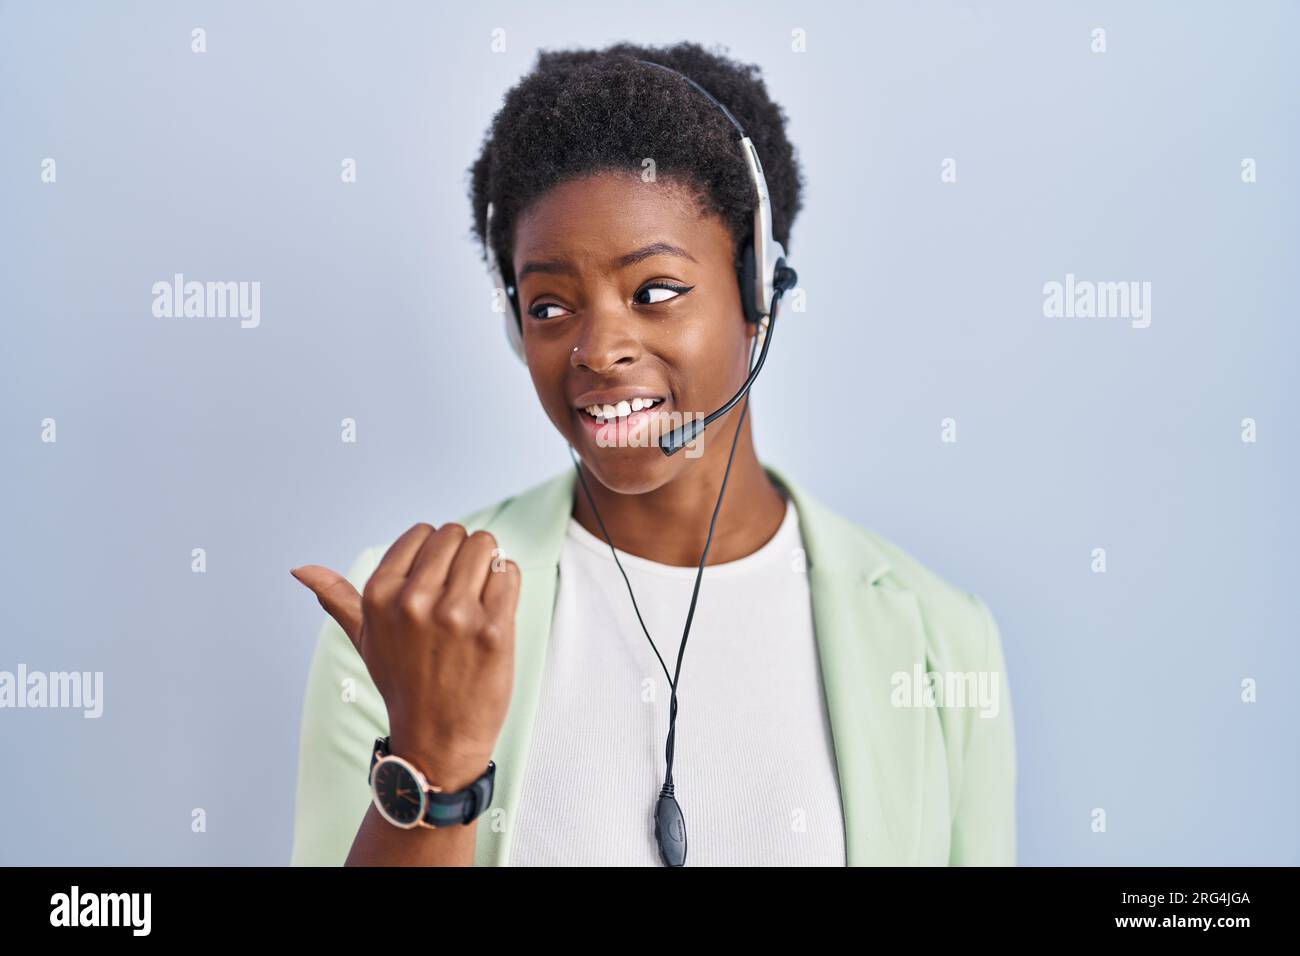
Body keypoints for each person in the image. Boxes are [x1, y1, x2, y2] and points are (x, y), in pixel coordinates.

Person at [288, 41, 1016, 867]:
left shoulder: (940, 638)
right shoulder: (415, 613)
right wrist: (436, 764)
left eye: (656, 292)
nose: (599, 349)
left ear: (756, 293)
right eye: (550, 305)